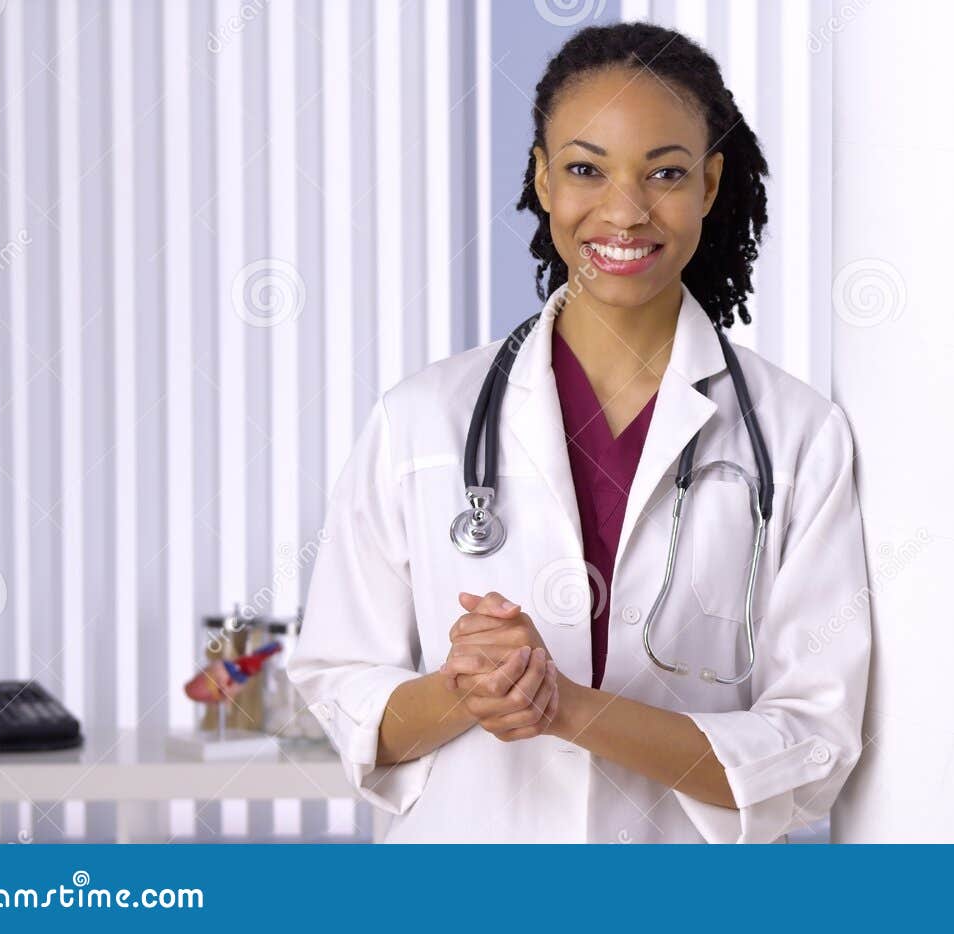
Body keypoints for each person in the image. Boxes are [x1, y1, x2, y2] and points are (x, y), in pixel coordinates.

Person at [288, 22, 871, 843]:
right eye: (585, 169)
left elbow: (812, 747)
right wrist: (470, 685)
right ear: (543, 178)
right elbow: (344, 696)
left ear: (709, 184)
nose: (624, 211)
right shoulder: (423, 418)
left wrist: (569, 709)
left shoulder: (798, 435)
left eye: (664, 173)